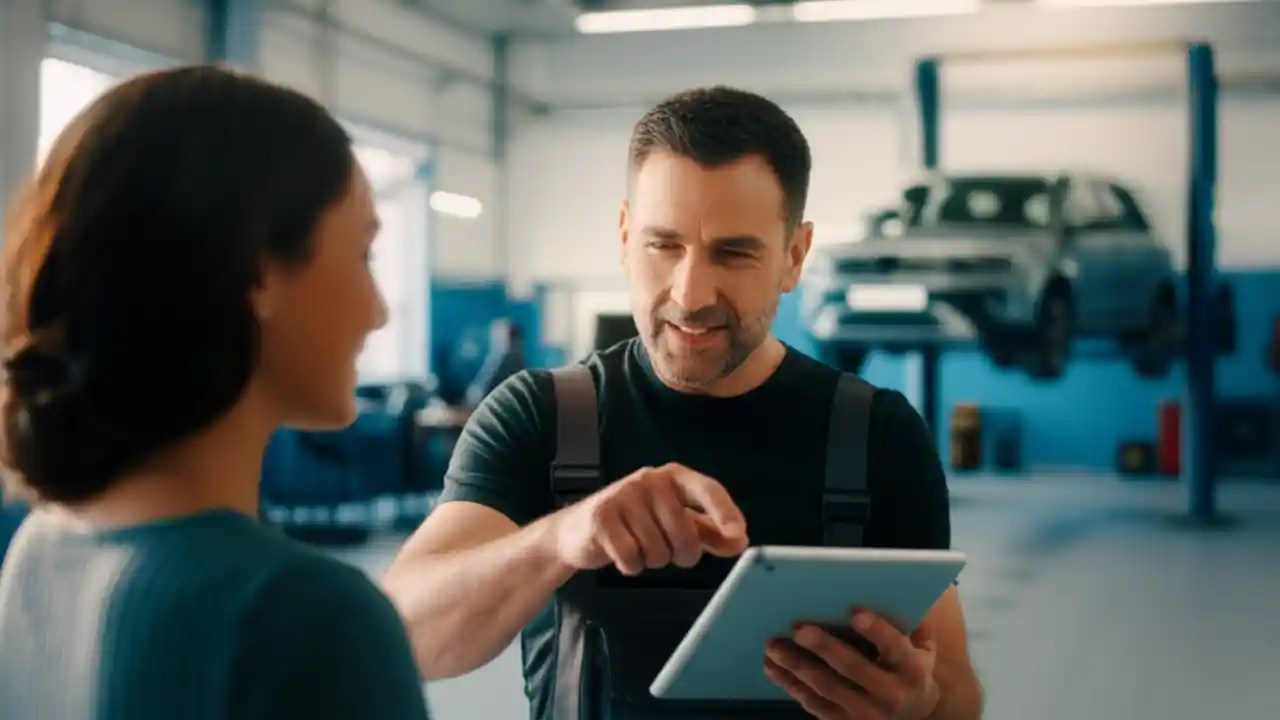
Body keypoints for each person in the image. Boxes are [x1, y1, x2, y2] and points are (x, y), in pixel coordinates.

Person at [383, 86, 983, 719]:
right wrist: (563, 537)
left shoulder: (878, 437)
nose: (691, 293)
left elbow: (958, 695)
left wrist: (919, 708)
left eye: (734, 252)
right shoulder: (542, 417)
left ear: (794, 256)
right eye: (662, 245)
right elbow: (406, 636)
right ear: (623, 236)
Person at [0, 66, 431, 719]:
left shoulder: (39, 551)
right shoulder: (303, 615)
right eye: (364, 253)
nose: (378, 312)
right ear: (259, 269)